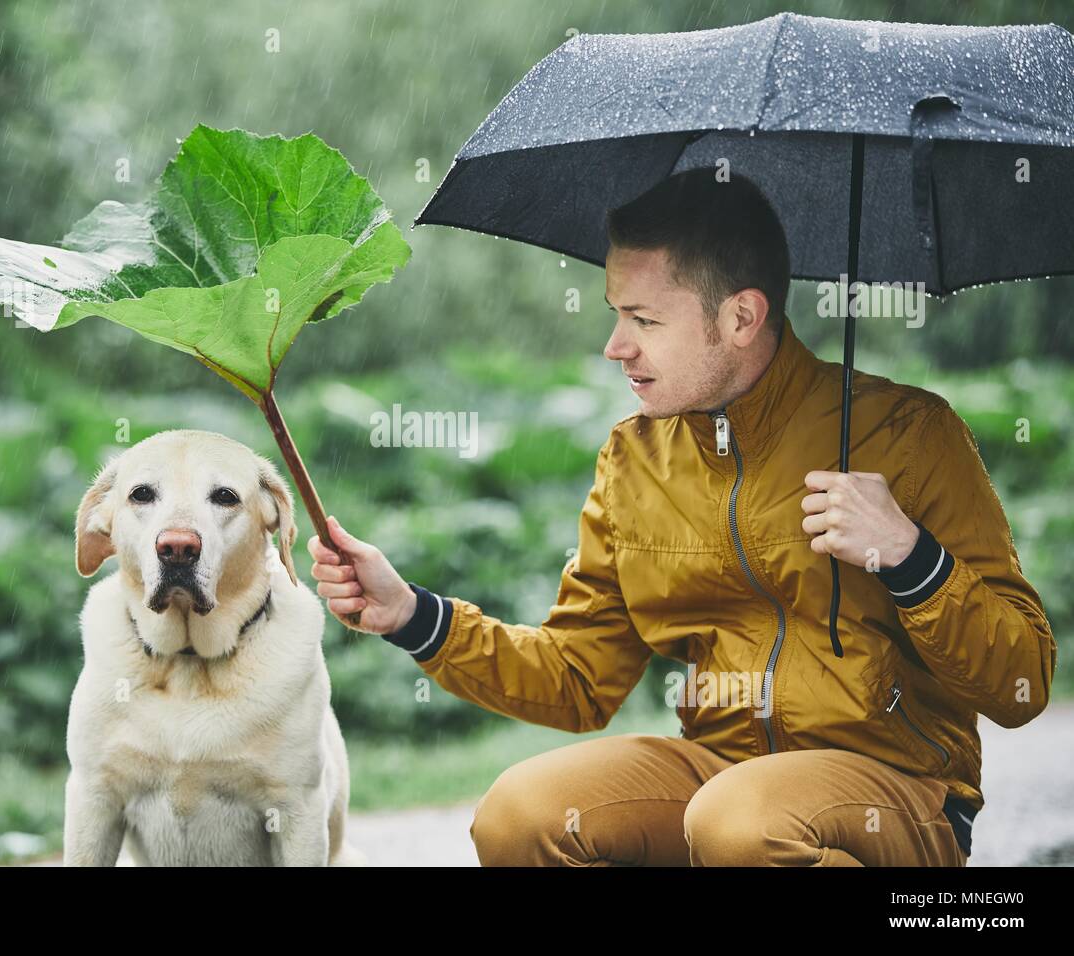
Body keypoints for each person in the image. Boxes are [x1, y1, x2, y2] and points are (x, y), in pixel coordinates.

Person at [306, 168, 1057, 867]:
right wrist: (412, 616)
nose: (615, 347)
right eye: (613, 315)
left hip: (900, 790)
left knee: (738, 823)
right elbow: (577, 677)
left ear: (741, 316)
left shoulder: (911, 434)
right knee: (518, 814)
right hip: (722, 777)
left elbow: (1021, 682)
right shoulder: (635, 462)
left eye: (643, 319)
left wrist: (909, 556)